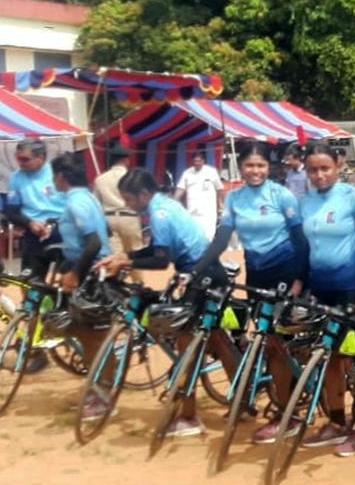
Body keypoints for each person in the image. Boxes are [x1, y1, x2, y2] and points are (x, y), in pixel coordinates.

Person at [96, 169, 240, 437]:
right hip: (205, 274)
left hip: (199, 276)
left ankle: (189, 416)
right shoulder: (165, 205)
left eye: (129, 199)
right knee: (217, 339)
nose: (128, 205)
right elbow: (155, 251)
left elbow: (161, 259)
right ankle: (240, 398)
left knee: (187, 345)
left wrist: (126, 260)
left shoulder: (160, 213)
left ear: (143, 194)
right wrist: (124, 255)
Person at [188, 142, 308, 447]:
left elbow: (301, 242)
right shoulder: (235, 199)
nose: (255, 171)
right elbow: (221, 239)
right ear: (240, 168)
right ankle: (279, 396)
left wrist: (299, 280)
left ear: (269, 168)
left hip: (286, 274)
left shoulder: (281, 195)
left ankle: (288, 412)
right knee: (265, 340)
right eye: (249, 166)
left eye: (261, 166)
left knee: (280, 344)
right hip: (256, 274)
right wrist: (198, 267)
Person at [297, 140, 355, 453]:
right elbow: (305, 250)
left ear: (339, 165)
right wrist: (300, 284)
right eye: (313, 170)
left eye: (325, 168)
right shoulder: (305, 203)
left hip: (350, 288)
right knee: (329, 357)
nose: (319, 176)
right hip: (321, 289)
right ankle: (335, 421)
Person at [49, 153, 115, 420]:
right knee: (85, 336)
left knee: (95, 338)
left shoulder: (77, 203)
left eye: (54, 175)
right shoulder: (86, 198)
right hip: (86, 269)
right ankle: (95, 390)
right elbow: (106, 231)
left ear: (61, 177)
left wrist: (76, 273)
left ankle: (104, 398)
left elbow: (95, 242)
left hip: (92, 273)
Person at [5, 140, 65, 281]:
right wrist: (29, 223)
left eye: (25, 159)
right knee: (29, 280)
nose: (21, 163)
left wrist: (54, 225)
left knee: (65, 281)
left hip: (62, 231)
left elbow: (74, 205)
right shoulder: (16, 178)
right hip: (34, 233)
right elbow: (11, 211)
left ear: (41, 157)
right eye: (18, 158)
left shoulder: (58, 174)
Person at [93, 144, 144, 281]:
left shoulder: (100, 179)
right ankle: (138, 286)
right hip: (129, 218)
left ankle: (113, 289)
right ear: (126, 160)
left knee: (114, 257)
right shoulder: (132, 177)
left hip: (109, 219)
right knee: (135, 254)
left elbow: (96, 204)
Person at [174, 149, 224, 240]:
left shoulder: (211, 172)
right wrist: (173, 202)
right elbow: (180, 189)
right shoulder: (187, 173)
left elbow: (219, 189)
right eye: (195, 161)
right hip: (193, 211)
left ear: (203, 161)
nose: (197, 163)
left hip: (208, 212)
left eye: (199, 161)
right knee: (194, 236)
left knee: (208, 236)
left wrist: (220, 204)